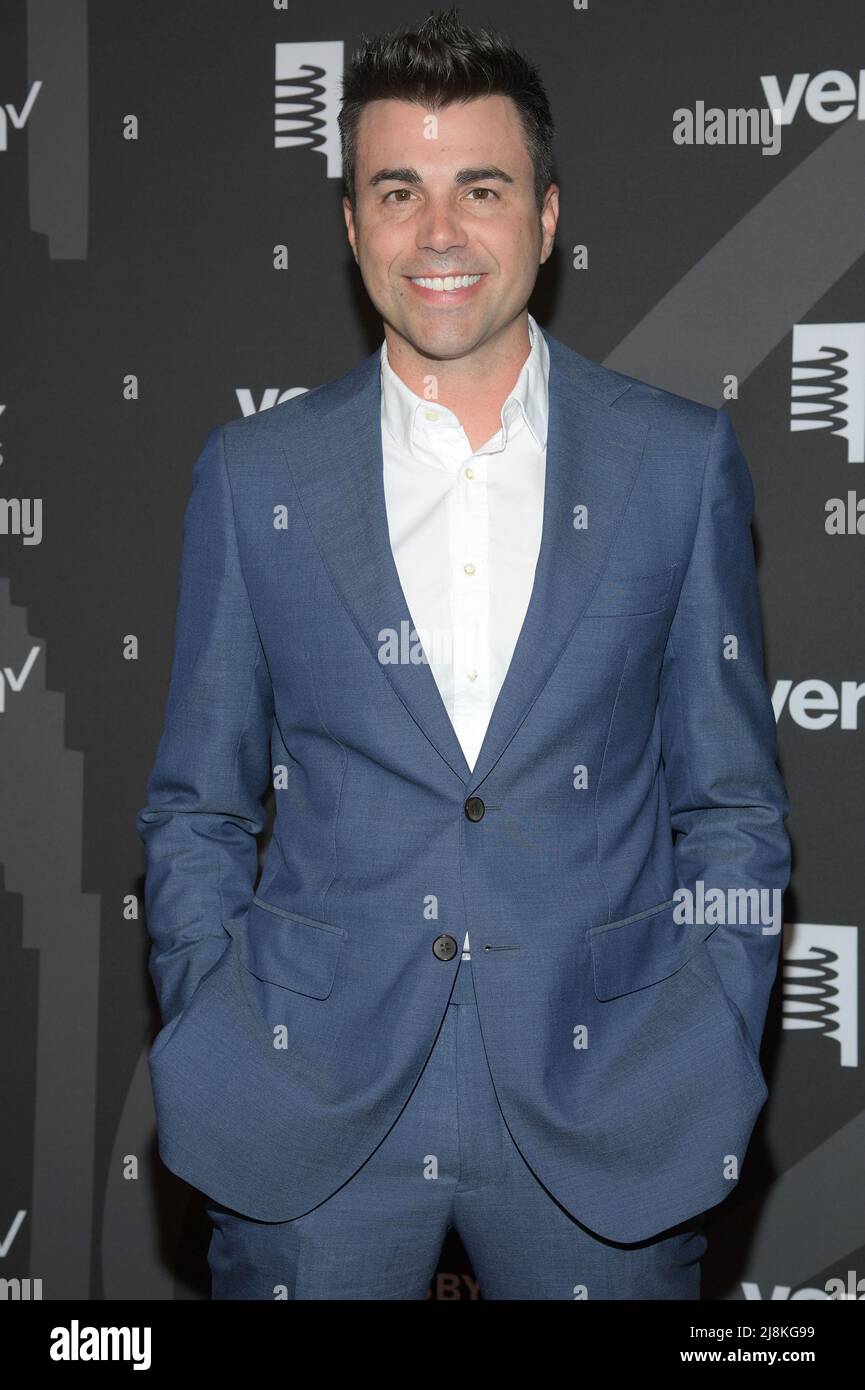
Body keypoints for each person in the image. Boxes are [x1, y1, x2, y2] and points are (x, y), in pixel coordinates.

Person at [136, 6, 791, 1300]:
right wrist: (221, 1029)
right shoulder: (254, 475)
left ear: (544, 219)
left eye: (478, 189)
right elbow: (196, 807)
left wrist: (704, 1034)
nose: (438, 233)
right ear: (350, 226)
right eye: (399, 191)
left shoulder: (672, 465)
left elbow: (730, 803)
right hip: (309, 1111)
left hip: (604, 1107)